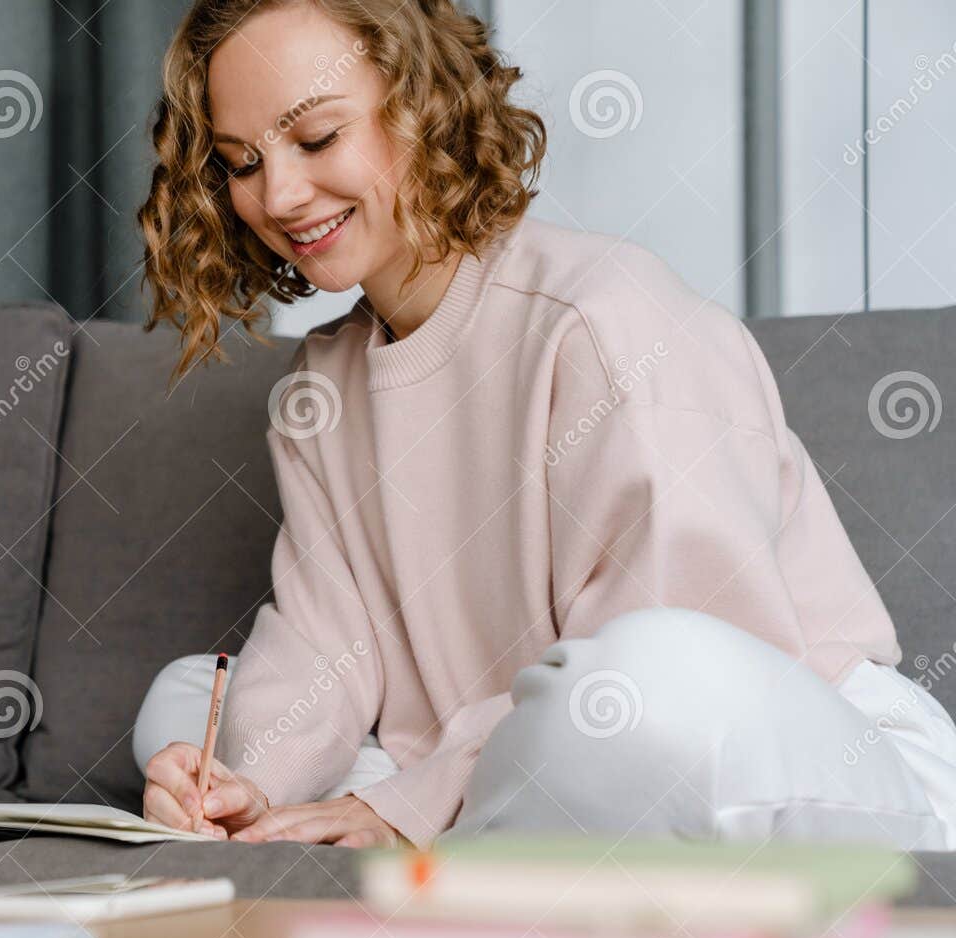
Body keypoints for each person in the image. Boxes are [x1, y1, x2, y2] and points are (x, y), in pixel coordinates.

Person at [131, 0, 956, 851]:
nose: (281, 194)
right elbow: (322, 647)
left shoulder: (603, 315)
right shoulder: (320, 394)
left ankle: (446, 818)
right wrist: (240, 785)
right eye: (243, 162)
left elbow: (671, 657)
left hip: (793, 761)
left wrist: (402, 806)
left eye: (317, 140)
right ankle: (439, 820)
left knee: (636, 682)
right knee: (187, 704)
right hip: (516, 757)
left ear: (425, 105)